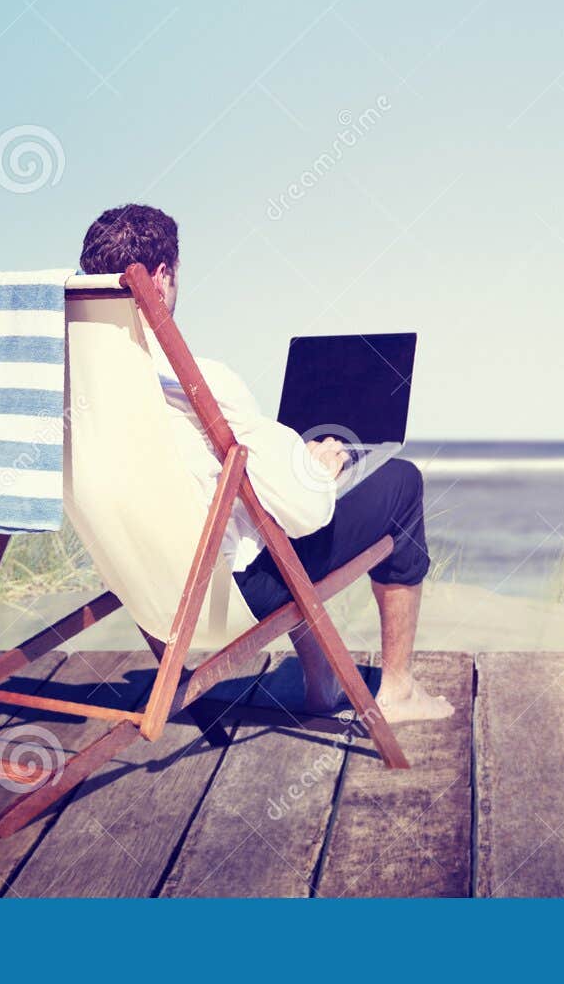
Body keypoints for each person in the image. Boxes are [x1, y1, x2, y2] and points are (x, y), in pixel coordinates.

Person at [78, 202, 451, 723]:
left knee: (261, 503)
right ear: (160, 278)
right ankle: (398, 690)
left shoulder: (76, 398)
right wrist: (317, 470)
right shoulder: (198, 384)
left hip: (148, 592)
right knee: (399, 483)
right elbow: (307, 514)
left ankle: (320, 681)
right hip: (233, 600)